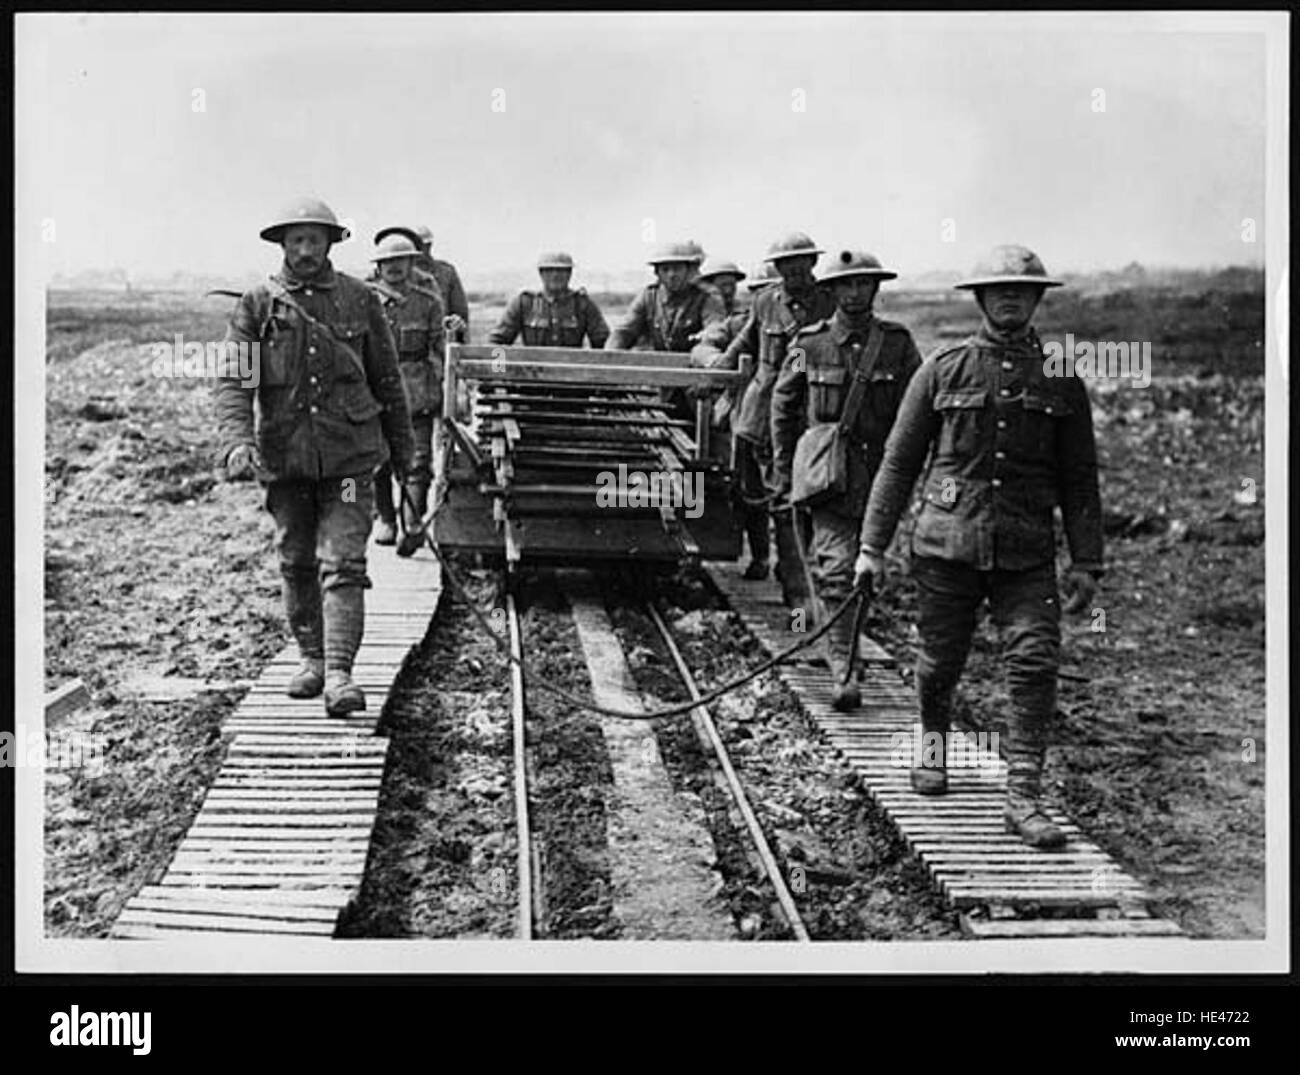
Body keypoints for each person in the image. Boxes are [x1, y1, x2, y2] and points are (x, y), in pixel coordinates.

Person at [854, 244, 1104, 848]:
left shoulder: (1062, 376)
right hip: (946, 546)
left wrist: (1088, 560)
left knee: (1035, 661)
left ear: (1039, 297)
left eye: (1021, 289)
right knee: (940, 661)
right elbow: (897, 464)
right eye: (998, 289)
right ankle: (933, 747)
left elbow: (1079, 477)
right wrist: (871, 547)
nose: (1010, 297)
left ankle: (1022, 796)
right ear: (981, 298)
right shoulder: (942, 369)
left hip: (1025, 551)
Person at [216, 196, 415, 716]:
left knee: (343, 562)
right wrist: (239, 439)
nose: (306, 250)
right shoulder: (258, 305)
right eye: (297, 240)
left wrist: (406, 451)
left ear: (331, 243)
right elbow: (236, 380)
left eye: (315, 239)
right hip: (286, 463)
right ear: (282, 243)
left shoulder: (359, 300)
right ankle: (312, 661)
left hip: (350, 464)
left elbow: (388, 380)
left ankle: (342, 675)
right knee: (296, 562)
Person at [771, 251, 921, 709]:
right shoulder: (810, 342)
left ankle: (847, 646)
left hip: (881, 479)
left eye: (864, 285)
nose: (855, 293)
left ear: (875, 289)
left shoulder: (897, 344)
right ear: (832, 291)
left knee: (866, 571)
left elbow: (917, 413)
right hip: (829, 480)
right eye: (846, 285)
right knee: (836, 572)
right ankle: (843, 665)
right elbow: (784, 403)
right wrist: (786, 466)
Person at [711, 232, 836, 609]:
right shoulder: (766, 301)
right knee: (758, 495)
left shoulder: (829, 302)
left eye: (801, 263)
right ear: (777, 268)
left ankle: (797, 587)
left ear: (813, 264)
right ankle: (777, 564)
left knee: (798, 500)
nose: (794, 271)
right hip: (762, 414)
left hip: (813, 416)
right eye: (786, 265)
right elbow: (746, 342)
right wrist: (716, 367)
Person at [365, 234, 447, 551]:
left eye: (400, 261)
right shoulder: (366, 300)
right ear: (379, 267)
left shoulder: (428, 302)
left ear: (411, 263)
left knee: (419, 459)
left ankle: (412, 521)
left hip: (416, 390)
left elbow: (441, 347)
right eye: (387, 263)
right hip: (375, 392)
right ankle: (385, 518)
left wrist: (453, 384)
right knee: (378, 461)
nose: (394, 268)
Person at [609, 240, 727, 419]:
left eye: (677, 269)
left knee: (705, 434)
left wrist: (705, 347)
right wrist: (610, 358)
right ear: (657, 273)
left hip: (696, 384)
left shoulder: (706, 296)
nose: (672, 275)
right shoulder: (649, 296)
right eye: (665, 269)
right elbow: (625, 331)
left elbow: (715, 328)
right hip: (661, 385)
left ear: (688, 271)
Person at [488, 251, 610, 347]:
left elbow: (603, 343)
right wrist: (499, 371)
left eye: (561, 270)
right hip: (531, 375)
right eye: (549, 270)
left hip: (570, 375)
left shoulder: (582, 304)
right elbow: (498, 342)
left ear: (570, 274)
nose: (555, 275)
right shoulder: (524, 303)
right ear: (541, 273)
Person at [373, 224, 469, 342]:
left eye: (400, 258)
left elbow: (457, 315)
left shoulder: (435, 279)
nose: (394, 264)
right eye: (388, 260)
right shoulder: (369, 287)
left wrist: (453, 326)